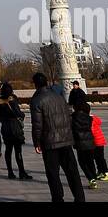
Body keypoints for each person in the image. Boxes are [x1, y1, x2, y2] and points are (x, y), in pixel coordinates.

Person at [29, 73, 85, 203]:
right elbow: (68, 117)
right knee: (72, 172)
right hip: (65, 140)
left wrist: (37, 142)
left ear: (35, 84)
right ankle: (80, 198)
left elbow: (37, 124)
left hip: (50, 143)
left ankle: (58, 198)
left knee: (53, 174)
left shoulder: (37, 100)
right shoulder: (58, 97)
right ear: (46, 82)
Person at [0, 82, 31, 181]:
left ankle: (10, 172)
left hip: (5, 127)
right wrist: (22, 115)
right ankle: (21, 172)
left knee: (8, 150)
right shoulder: (12, 99)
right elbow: (17, 112)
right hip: (14, 127)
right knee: (18, 150)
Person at [71, 101, 99, 188]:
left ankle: (91, 179)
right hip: (90, 142)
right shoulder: (89, 118)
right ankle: (93, 176)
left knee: (82, 162)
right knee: (90, 161)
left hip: (80, 142)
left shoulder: (73, 118)